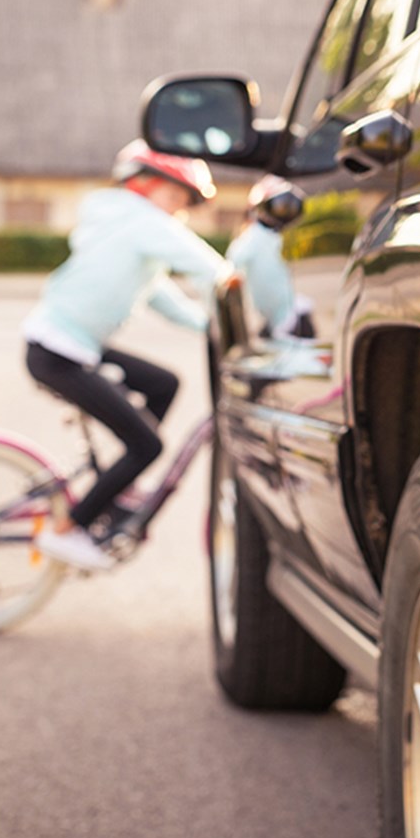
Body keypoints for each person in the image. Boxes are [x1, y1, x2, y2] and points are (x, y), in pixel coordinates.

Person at [23, 140, 224, 570]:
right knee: (147, 446)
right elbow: (207, 267)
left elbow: (160, 296)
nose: (176, 211)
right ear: (143, 184)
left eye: (184, 206)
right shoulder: (141, 221)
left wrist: (210, 326)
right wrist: (237, 290)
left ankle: (119, 480)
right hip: (60, 353)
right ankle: (71, 529)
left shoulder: (125, 224)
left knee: (164, 384)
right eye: (174, 198)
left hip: (72, 346)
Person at [224, 175, 315, 340]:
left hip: (286, 315)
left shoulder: (275, 237)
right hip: (278, 321)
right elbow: (232, 263)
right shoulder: (253, 237)